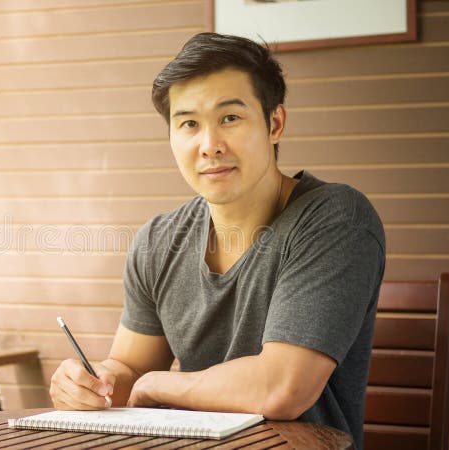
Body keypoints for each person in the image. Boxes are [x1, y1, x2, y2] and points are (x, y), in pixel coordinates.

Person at [49, 32, 385, 449]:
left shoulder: (335, 218)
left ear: (274, 123)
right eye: (189, 123)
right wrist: (90, 385)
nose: (209, 146)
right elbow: (129, 372)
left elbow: (282, 388)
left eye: (230, 118)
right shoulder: (159, 240)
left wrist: (159, 386)